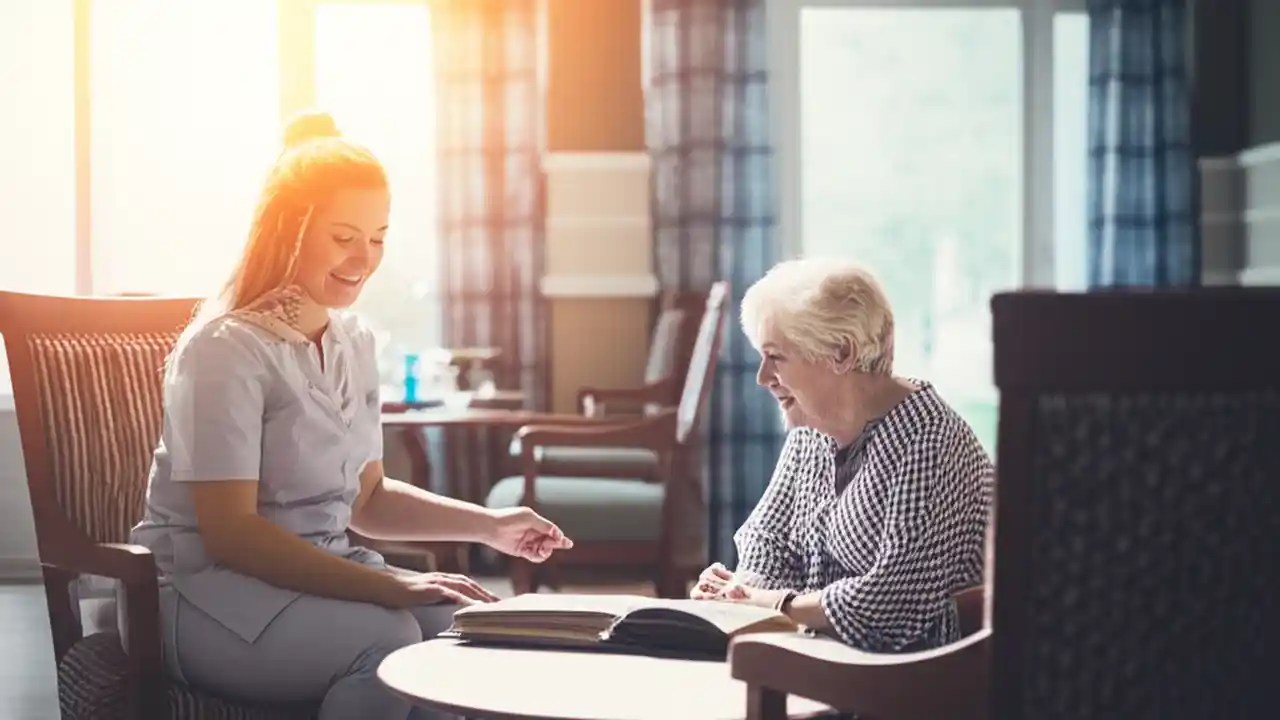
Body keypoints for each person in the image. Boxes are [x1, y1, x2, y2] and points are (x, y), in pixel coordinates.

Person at [129, 112, 572, 719]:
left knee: (472, 639)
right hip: (206, 598)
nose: (364, 259)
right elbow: (231, 534)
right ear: (289, 229)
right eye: (344, 237)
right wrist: (390, 586)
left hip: (317, 578)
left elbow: (369, 499)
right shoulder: (223, 351)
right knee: (386, 642)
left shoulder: (353, 343)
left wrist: (490, 525)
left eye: (379, 237)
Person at [690, 258, 992, 652]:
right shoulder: (813, 429)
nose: (762, 377)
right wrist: (740, 590)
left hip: (914, 676)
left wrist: (774, 604)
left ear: (841, 353)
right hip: (828, 649)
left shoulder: (930, 440)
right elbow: (768, 538)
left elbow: (887, 604)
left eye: (776, 357)